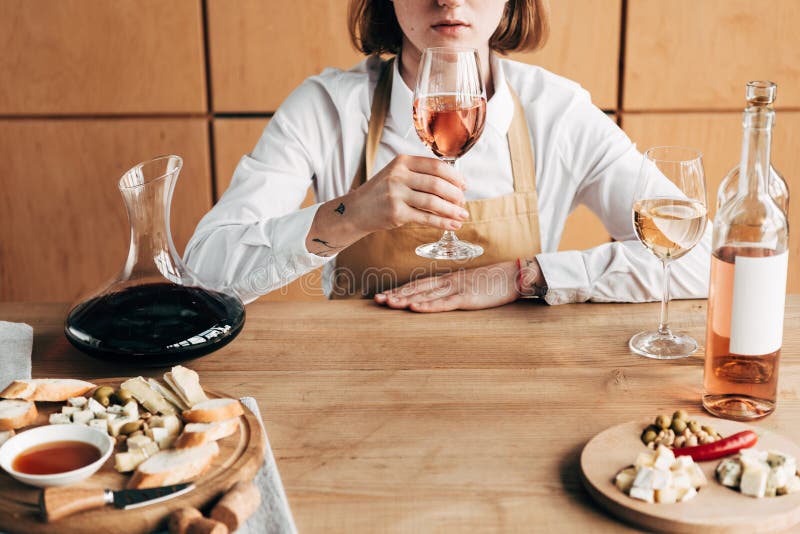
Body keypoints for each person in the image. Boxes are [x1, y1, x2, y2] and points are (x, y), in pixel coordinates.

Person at [184, 0, 711, 312]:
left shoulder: (559, 112)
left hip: (518, 387)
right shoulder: (325, 108)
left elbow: (701, 257)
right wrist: (348, 217)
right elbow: (203, 275)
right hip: (353, 387)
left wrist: (524, 276)